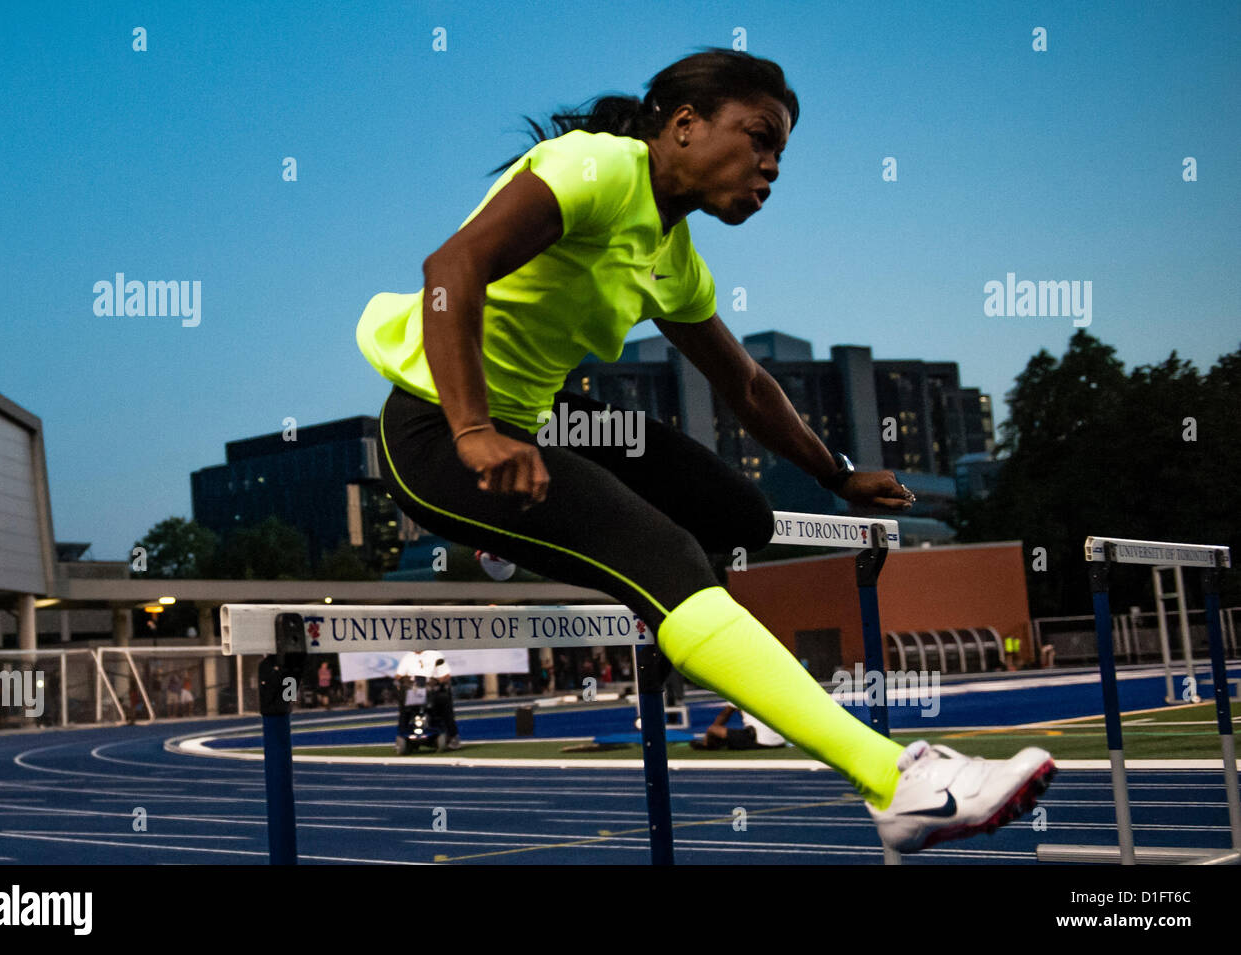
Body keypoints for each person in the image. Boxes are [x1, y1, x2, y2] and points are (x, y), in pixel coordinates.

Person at [356, 48, 1054, 854]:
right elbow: (451, 267)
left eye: (781, 155)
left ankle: (663, 604)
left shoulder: (673, 255)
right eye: (760, 139)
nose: (771, 168)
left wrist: (837, 475)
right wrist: (474, 428)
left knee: (740, 513)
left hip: (541, 427)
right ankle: (895, 781)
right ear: (683, 126)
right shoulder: (596, 167)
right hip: (437, 427)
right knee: (666, 552)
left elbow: (748, 386)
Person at [395, 649, 461, 749]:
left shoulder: (435, 655)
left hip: (433, 691)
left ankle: (453, 736)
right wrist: (403, 682)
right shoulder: (408, 657)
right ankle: (402, 734)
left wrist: (435, 683)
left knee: (444, 704)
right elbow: (399, 676)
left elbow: (446, 675)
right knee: (403, 708)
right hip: (413, 691)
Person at [691, 702, 786, 750]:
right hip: (780, 740)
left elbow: (724, 715)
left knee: (712, 729)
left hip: (758, 740)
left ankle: (707, 744)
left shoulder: (738, 692)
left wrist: (710, 735)